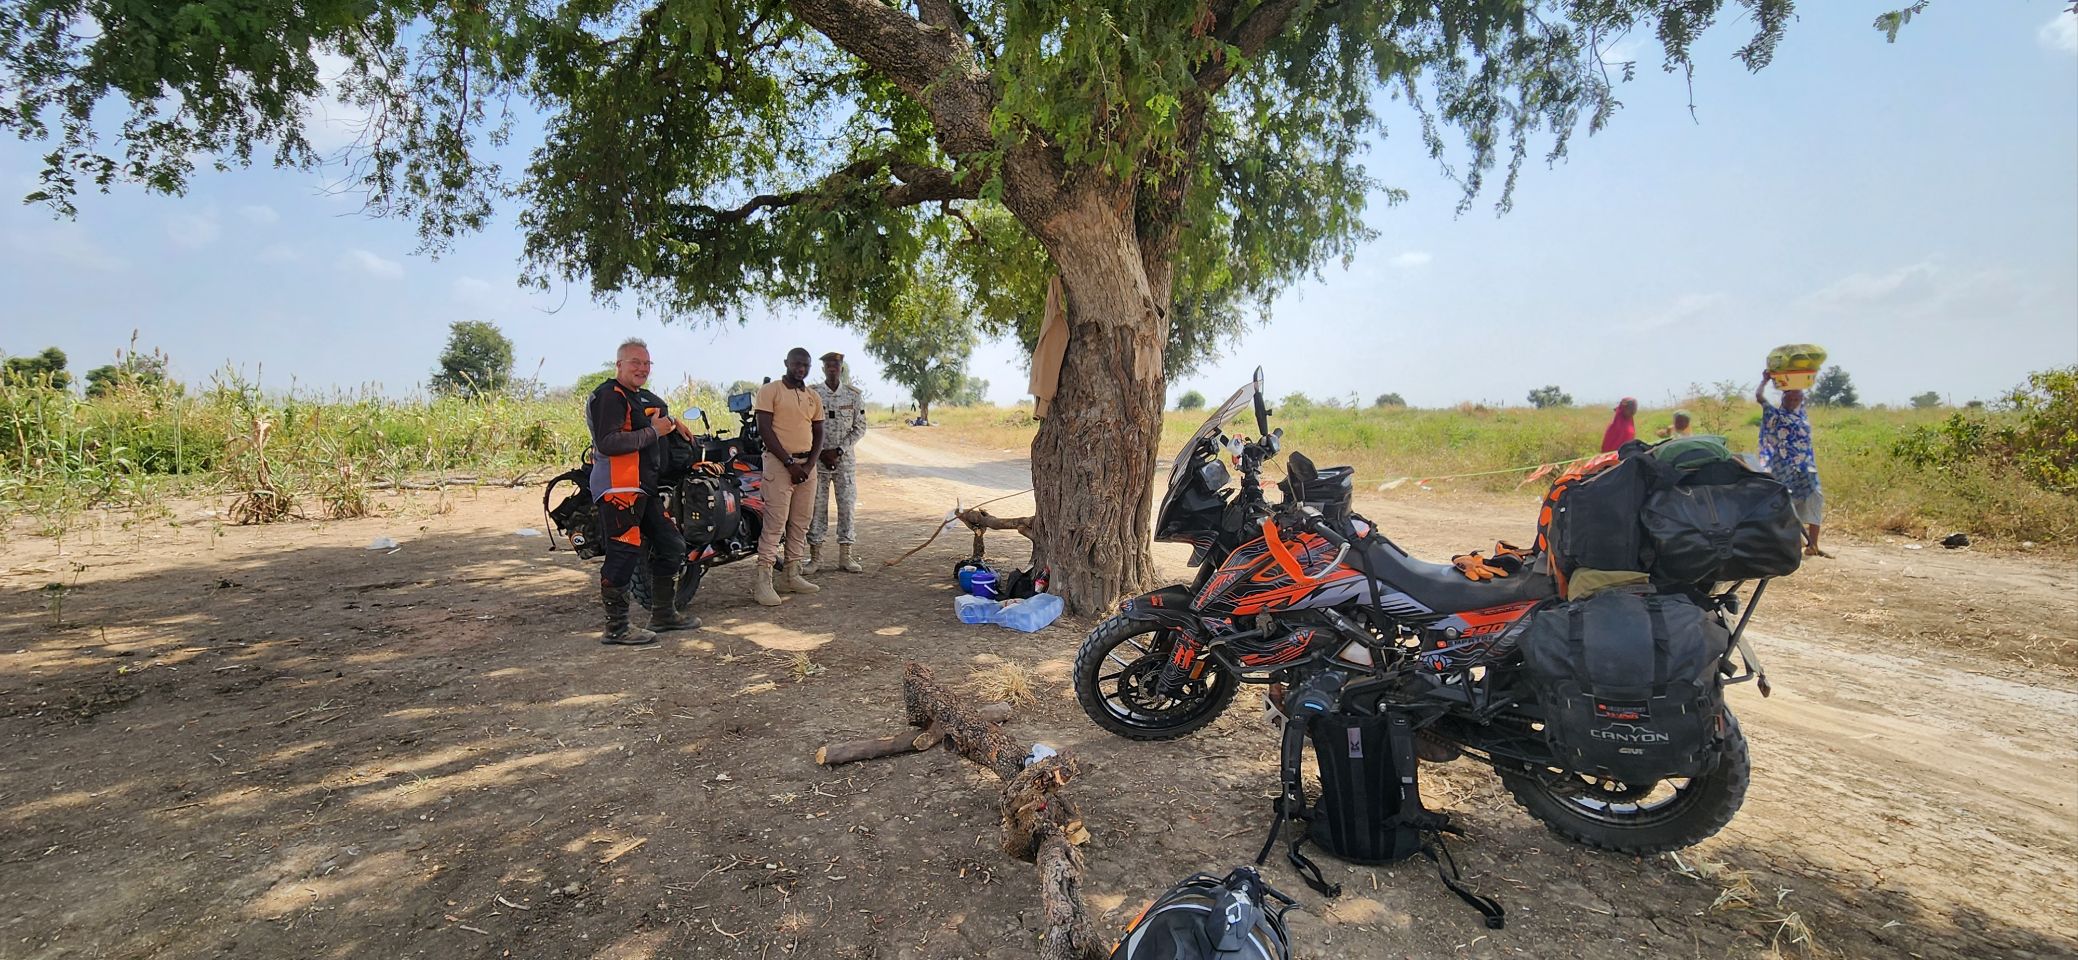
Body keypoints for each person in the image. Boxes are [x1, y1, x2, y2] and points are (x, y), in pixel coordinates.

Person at [586, 338, 698, 644]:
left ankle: (663, 614)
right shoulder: (609, 395)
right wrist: (654, 432)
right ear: (619, 364)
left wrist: (673, 422)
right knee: (623, 553)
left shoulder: (634, 396)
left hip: (642, 488)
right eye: (635, 362)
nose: (642, 368)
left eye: (647, 363)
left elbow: (648, 416)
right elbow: (608, 442)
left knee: (672, 543)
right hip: (618, 488)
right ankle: (616, 628)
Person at [751, 348, 825, 605]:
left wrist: (808, 465)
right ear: (786, 363)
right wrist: (789, 462)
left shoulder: (813, 396)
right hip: (779, 464)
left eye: (805, 364)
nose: (800, 368)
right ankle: (764, 581)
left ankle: (792, 573)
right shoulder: (770, 391)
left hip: (807, 467)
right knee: (775, 523)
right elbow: (764, 429)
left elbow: (819, 433)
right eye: (796, 364)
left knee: (801, 522)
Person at [1754, 372, 1828, 558]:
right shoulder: (1776, 415)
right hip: (1784, 468)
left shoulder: (1802, 416)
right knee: (1787, 505)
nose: (1794, 400)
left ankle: (1813, 545)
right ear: (1783, 398)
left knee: (1815, 498)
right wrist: (1765, 380)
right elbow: (1759, 397)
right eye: (1791, 397)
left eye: (1798, 397)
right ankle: (1793, 542)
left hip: (1806, 469)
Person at [808, 351, 868, 573]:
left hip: (844, 462)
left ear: (841, 367)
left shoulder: (853, 396)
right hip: (818, 461)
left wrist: (839, 450)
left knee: (847, 508)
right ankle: (816, 558)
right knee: (817, 508)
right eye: (828, 365)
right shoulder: (812, 394)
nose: (832, 368)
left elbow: (859, 427)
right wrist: (822, 452)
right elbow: (806, 425)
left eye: (836, 364)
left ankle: (846, 556)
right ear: (823, 368)